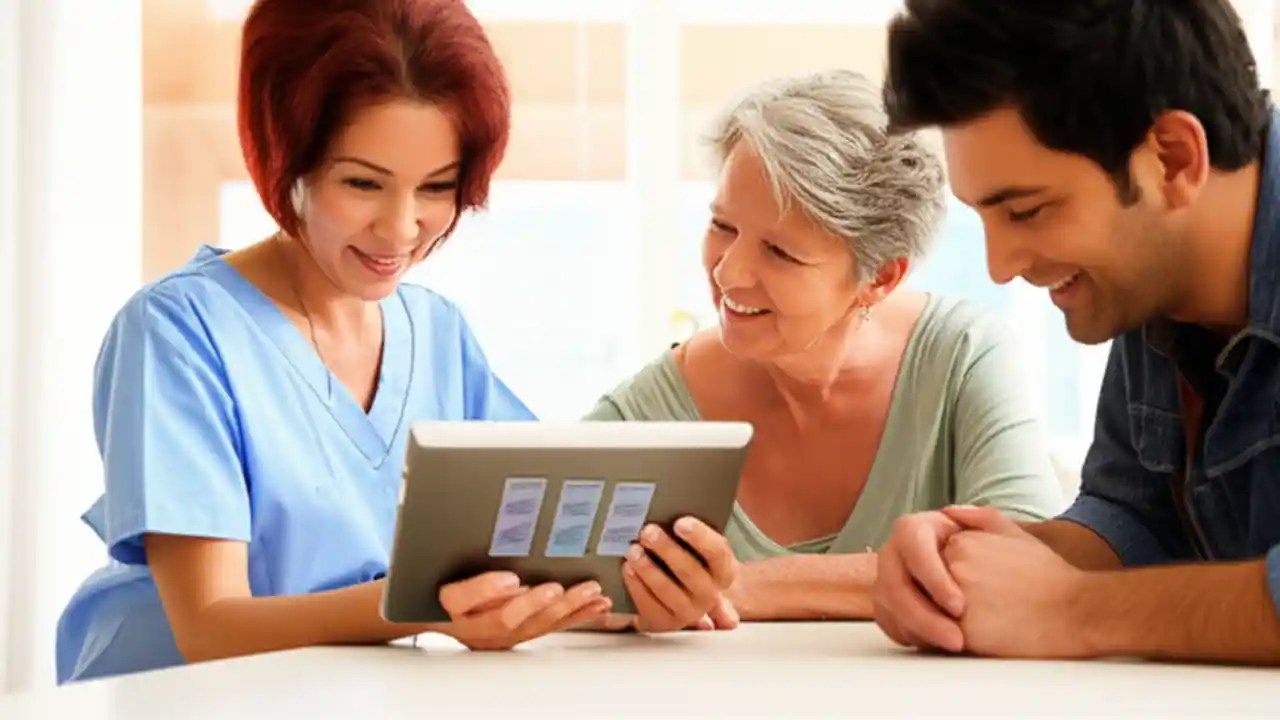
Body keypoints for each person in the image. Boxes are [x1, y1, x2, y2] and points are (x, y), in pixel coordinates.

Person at [55, 0, 686, 683]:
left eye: (437, 188)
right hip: (170, 697)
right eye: (362, 183)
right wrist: (428, 611)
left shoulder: (436, 335)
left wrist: (639, 595)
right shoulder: (178, 331)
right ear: (283, 155)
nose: (401, 229)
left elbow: (531, 560)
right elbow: (209, 622)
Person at [873, 0, 1280, 665]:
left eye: (1027, 210)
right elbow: (1133, 525)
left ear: (1173, 159)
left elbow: (1085, 599)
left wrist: (1070, 611)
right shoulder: (1154, 281)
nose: (999, 267)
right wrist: (958, 564)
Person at [585, 70, 1062, 626]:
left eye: (780, 253)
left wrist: (746, 588)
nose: (729, 270)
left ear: (880, 277)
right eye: (722, 225)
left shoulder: (963, 356)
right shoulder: (652, 409)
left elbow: (1026, 559)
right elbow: (533, 569)